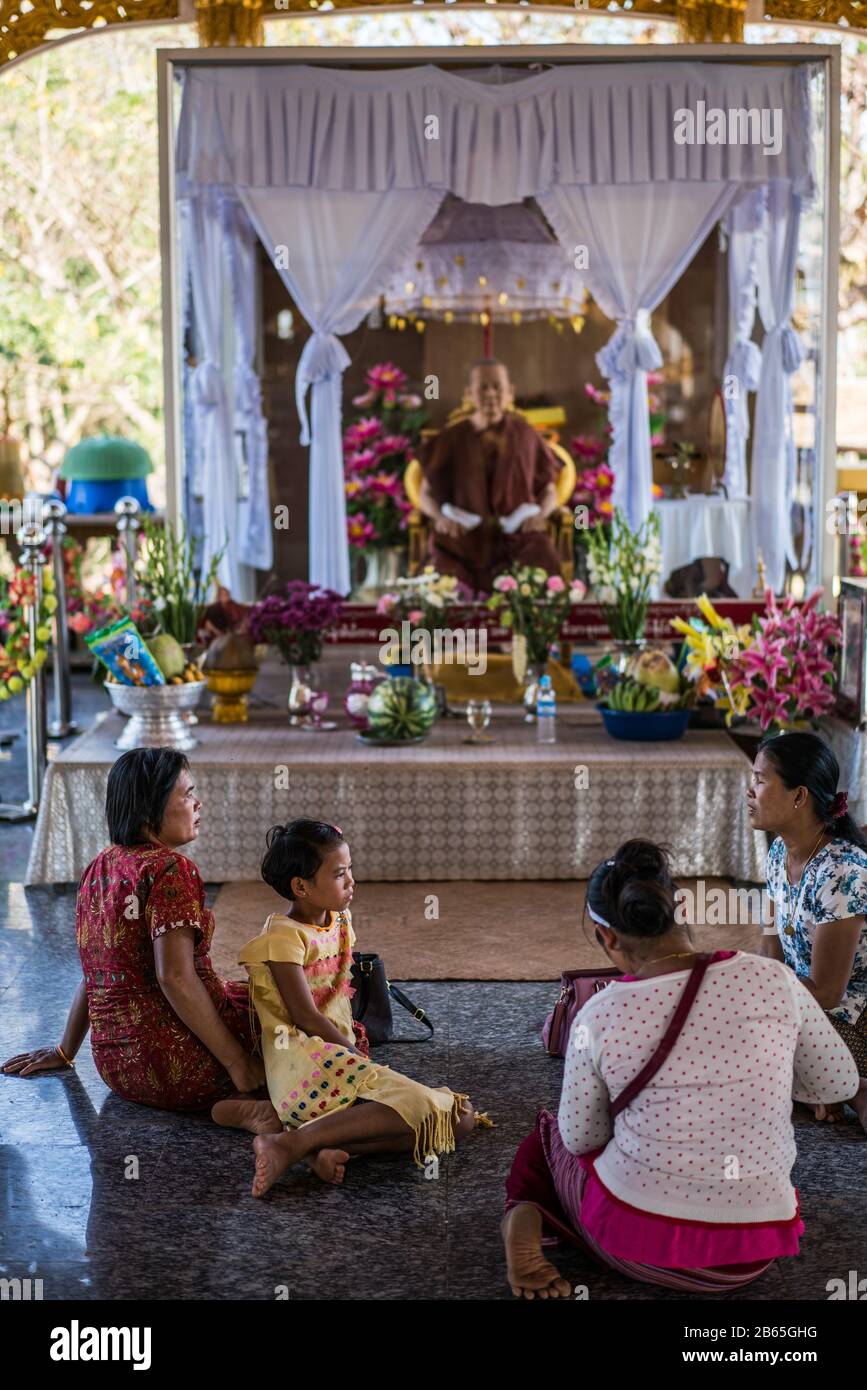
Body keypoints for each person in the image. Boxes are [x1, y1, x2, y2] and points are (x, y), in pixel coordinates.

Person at [501, 840, 858, 1299]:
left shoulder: (600, 1012)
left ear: (607, 937)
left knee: (546, 1137)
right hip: (754, 1254)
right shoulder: (774, 979)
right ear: (682, 906)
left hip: (640, 1250)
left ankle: (522, 1228)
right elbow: (839, 1082)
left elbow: (581, 1140)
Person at [213, 819, 477, 1198]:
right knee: (443, 1112)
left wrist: (352, 1050)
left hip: (338, 1055)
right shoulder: (282, 938)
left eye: (350, 869)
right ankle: (290, 1144)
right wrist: (355, 1055)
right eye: (339, 874)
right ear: (301, 887)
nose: (351, 881)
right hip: (306, 1063)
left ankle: (306, 1146)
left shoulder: (339, 919)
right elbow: (306, 1017)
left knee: (461, 1121)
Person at [2, 748, 263, 1109]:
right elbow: (175, 977)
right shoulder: (171, 870)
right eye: (186, 794)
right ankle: (246, 1105)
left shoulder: (99, 868)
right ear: (148, 809)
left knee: (250, 995)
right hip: (183, 1068)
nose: (197, 803)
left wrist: (65, 1050)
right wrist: (238, 1064)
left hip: (119, 1071)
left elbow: (97, 974)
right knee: (298, 1016)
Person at [750, 731, 867, 1128]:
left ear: (799, 796)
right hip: (803, 1008)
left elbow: (828, 992)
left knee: (746, 1046)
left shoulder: (841, 872)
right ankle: (826, 1086)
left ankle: (850, 1087)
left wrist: (757, 997)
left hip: (849, 1016)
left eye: (760, 780)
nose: (750, 791)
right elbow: (771, 949)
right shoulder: (780, 850)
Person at [418, 359, 562, 594]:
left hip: (517, 538)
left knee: (542, 552)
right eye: (483, 388)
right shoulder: (452, 437)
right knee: (440, 561)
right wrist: (440, 519)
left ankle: (531, 623)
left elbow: (549, 490)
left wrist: (541, 516)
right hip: (464, 538)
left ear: (510, 393)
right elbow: (425, 492)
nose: (491, 394)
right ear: (469, 394)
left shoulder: (525, 435)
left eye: (498, 387)